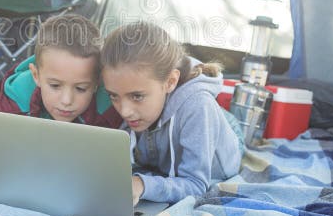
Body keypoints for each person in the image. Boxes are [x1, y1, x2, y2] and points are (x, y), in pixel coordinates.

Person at [100, 21, 244, 205]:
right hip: (183, 114)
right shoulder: (139, 101)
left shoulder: (199, 106)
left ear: (170, 81)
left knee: (206, 111)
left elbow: (196, 184)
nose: (124, 111)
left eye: (137, 96)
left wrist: (141, 184)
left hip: (221, 135)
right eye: (114, 96)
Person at [0, 13, 122, 128]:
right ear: (35, 75)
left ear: (97, 82)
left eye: (81, 88)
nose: (66, 100)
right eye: (55, 85)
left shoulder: (108, 107)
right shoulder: (17, 97)